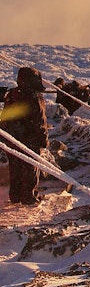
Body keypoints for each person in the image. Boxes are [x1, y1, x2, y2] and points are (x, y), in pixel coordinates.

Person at [1, 67, 49, 205]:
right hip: (30, 139)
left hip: (13, 138)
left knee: (15, 168)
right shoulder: (34, 96)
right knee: (31, 168)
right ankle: (29, 197)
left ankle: (15, 196)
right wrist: (43, 139)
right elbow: (39, 121)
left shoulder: (12, 94)